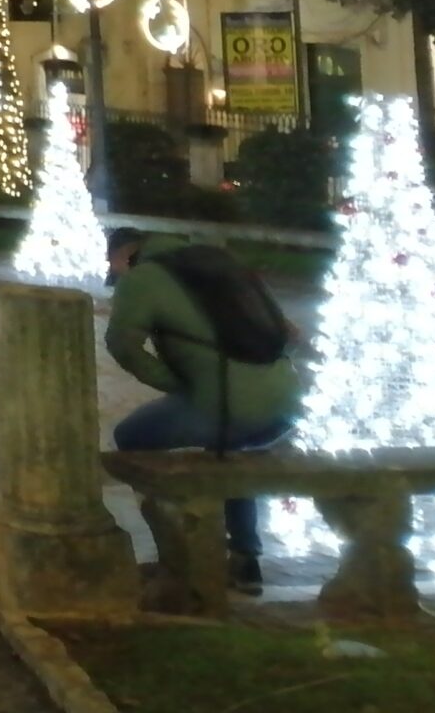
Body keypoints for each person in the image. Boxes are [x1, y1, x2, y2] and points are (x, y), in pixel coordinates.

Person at [104, 226, 302, 594]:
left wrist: (178, 384)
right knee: (229, 452)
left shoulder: (142, 278)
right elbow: (291, 334)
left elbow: (121, 345)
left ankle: (181, 556)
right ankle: (245, 560)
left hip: (225, 407)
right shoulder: (223, 263)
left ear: (123, 255)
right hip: (287, 405)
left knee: (130, 436)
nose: (114, 276)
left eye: (113, 268)